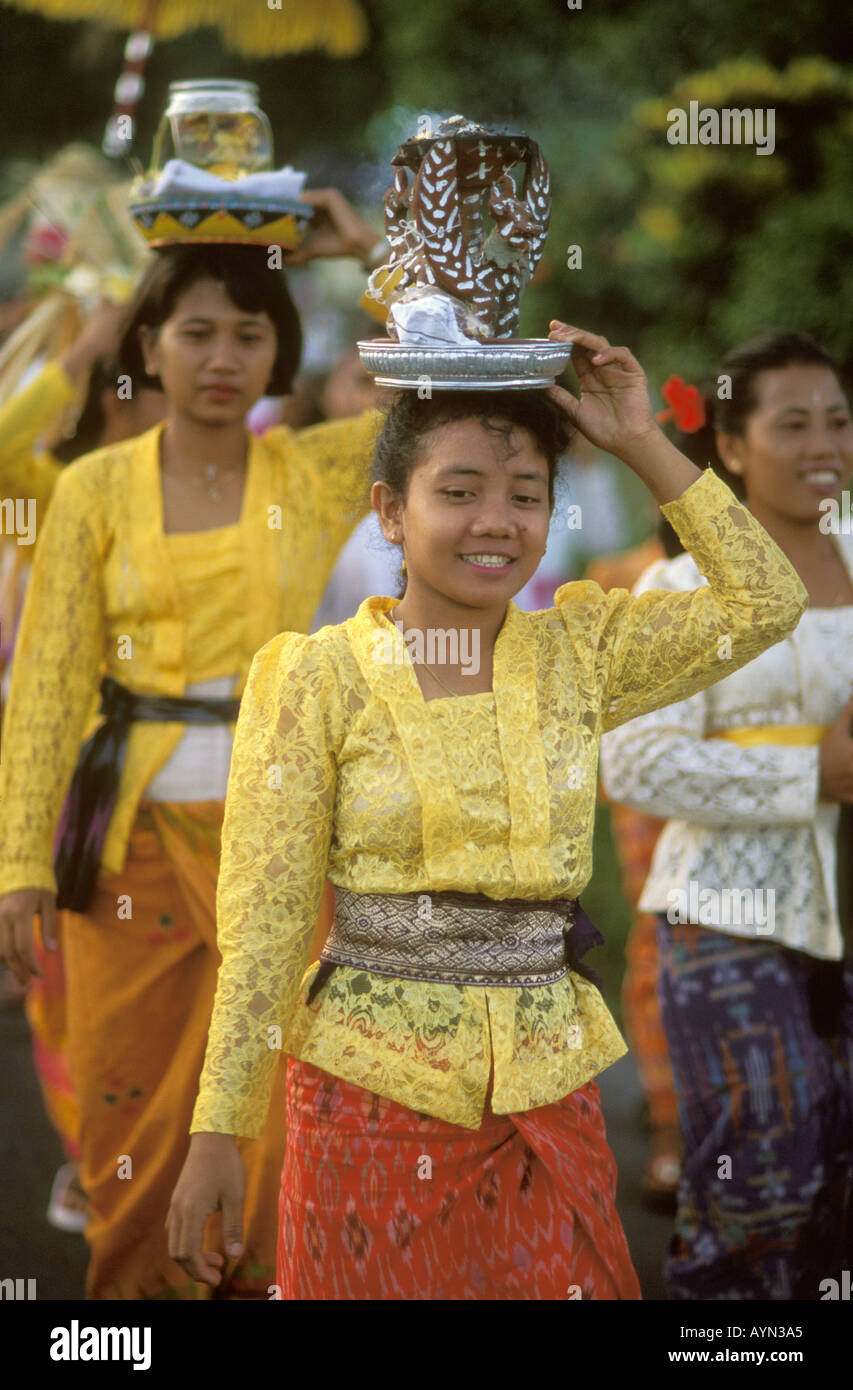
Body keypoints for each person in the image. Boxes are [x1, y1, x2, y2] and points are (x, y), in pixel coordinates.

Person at [166, 322, 808, 1300]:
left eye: (524, 496)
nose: (494, 522)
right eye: (457, 492)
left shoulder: (581, 649)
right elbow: (264, 924)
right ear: (388, 510)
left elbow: (765, 597)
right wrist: (220, 1130)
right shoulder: (315, 677)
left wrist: (639, 438)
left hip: (548, 1089)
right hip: (369, 1099)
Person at [0, 203, 383, 1298]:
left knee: (278, 1110)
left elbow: (454, 374)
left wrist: (365, 255)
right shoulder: (90, 489)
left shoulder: (311, 474)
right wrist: (21, 860)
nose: (224, 357)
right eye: (196, 331)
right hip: (123, 846)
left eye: (250, 334)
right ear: (147, 345)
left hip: (279, 843)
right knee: (125, 1113)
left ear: (281, 351)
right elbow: (48, 686)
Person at [600, 330, 853, 1299]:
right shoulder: (683, 586)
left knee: (833, 1209)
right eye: (791, 423)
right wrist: (807, 773)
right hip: (728, 920)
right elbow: (633, 759)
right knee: (758, 1196)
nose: (822, 442)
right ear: (734, 448)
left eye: (836, 419)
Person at [0, 298, 167, 1231]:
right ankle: (93, 1154)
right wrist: (88, 346)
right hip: (71, 785)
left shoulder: (231, 495)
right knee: (67, 994)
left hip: (194, 792)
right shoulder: (50, 499)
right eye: (139, 391)